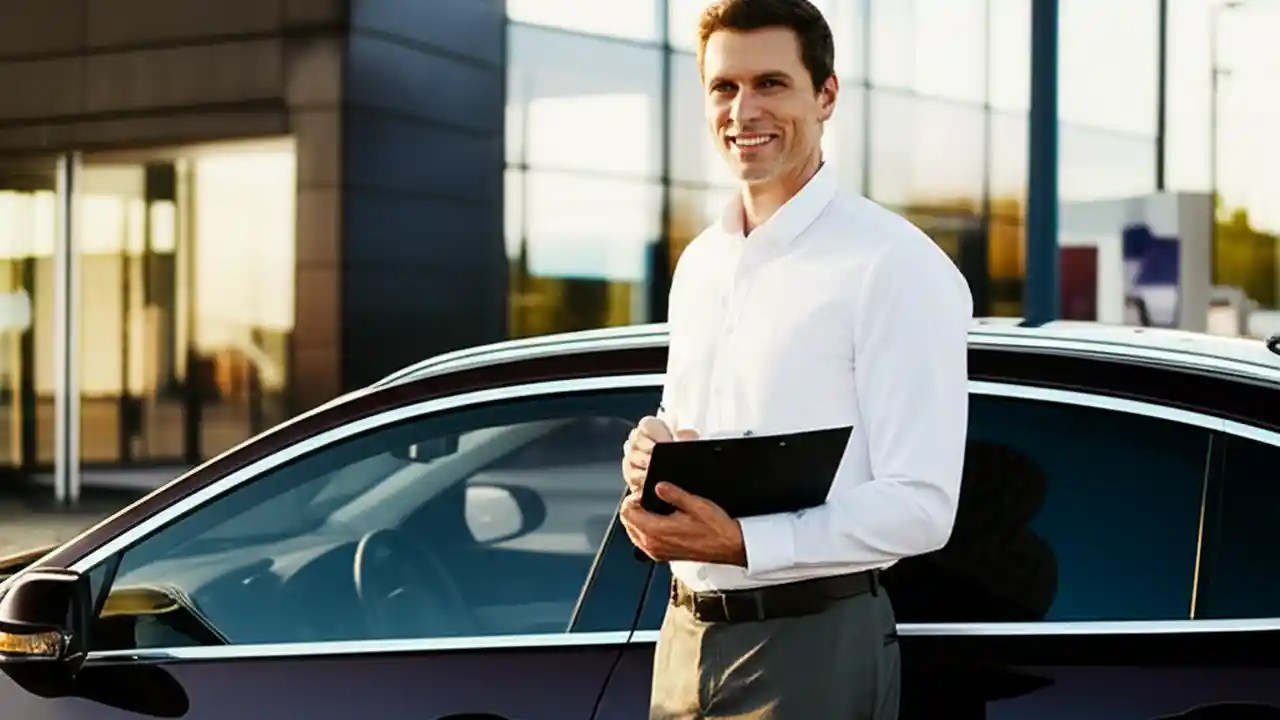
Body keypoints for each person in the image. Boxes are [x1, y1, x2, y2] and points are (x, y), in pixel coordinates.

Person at [618, 0, 973, 717]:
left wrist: (745, 541)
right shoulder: (702, 263)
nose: (743, 110)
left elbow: (923, 507)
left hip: (812, 647)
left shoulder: (894, 265)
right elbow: (686, 423)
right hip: (681, 638)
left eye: (771, 83)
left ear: (826, 95)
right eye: (724, 87)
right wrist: (650, 449)